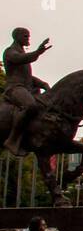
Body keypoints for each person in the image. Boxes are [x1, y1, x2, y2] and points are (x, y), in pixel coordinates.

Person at [2, 28, 52, 156]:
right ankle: (12, 140)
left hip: (26, 88)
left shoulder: (22, 53)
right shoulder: (10, 52)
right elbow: (20, 59)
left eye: (28, 36)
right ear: (17, 37)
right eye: (25, 36)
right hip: (14, 88)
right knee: (30, 105)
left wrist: (44, 84)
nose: (28, 39)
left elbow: (28, 77)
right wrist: (38, 52)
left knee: (44, 108)